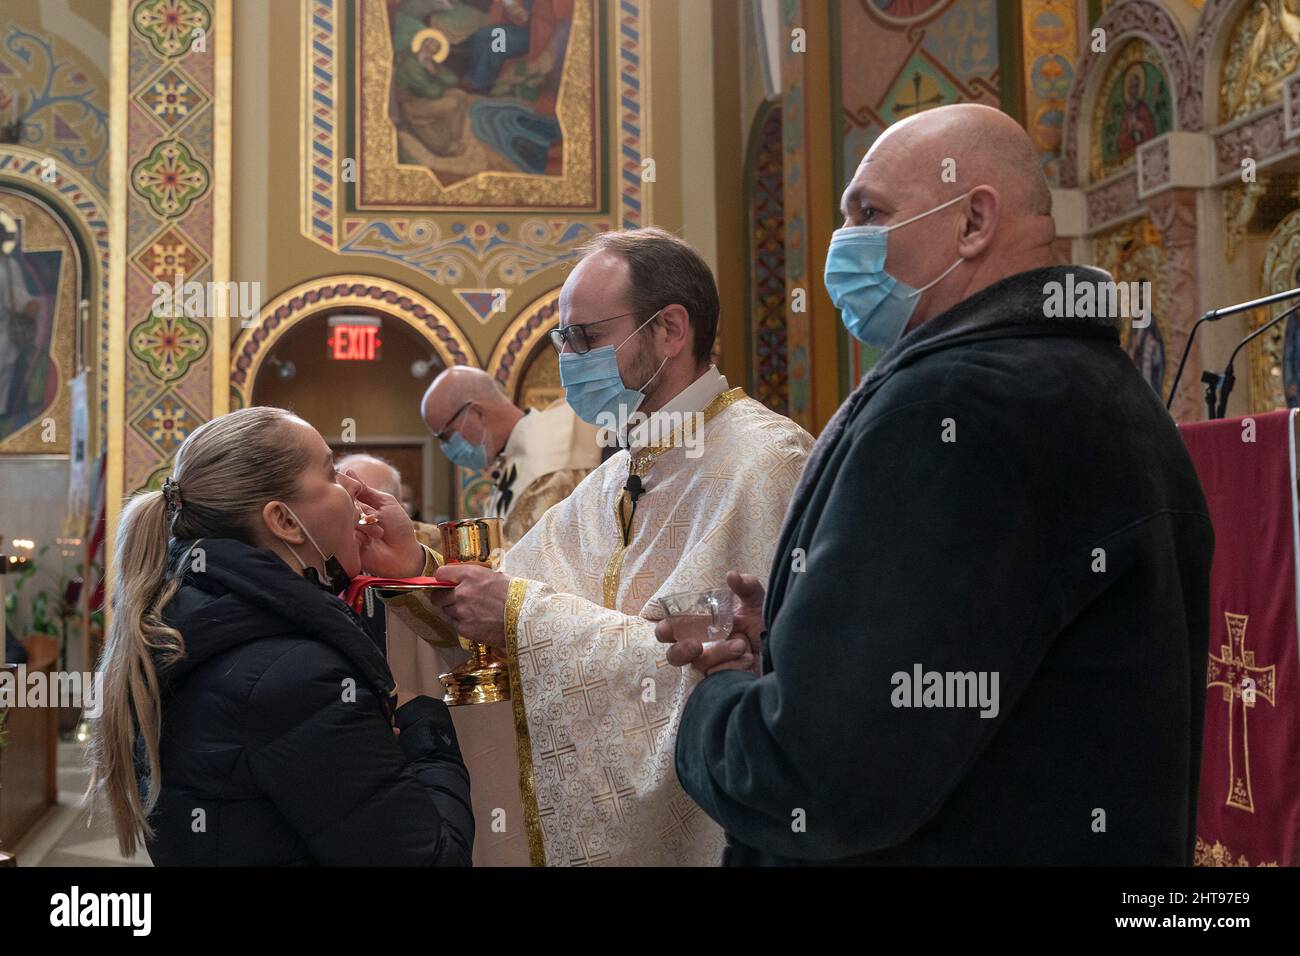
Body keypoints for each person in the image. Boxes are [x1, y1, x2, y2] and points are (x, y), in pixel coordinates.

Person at [666, 103, 1214, 865]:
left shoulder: (952, 409)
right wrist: (796, 643)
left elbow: (823, 777)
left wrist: (716, 700)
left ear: (974, 221)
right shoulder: (1105, 388)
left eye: (870, 211)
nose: (842, 241)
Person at [424, 227, 814, 866]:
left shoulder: (763, 463)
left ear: (670, 330)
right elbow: (511, 577)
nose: (569, 362)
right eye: (564, 341)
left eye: (586, 339)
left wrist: (524, 615)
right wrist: (413, 564)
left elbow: (717, 665)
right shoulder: (620, 470)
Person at [88, 406, 474, 866]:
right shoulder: (299, 680)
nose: (353, 490)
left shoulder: (193, 622)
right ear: (285, 521)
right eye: (332, 473)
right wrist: (420, 720)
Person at [422, 366, 601, 548]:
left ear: (477, 413)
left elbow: (533, 558)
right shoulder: (509, 460)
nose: (446, 447)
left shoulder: (553, 453)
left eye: (446, 436)